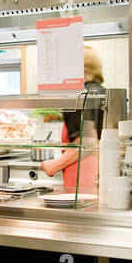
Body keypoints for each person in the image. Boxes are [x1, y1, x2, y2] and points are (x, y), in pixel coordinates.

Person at [41, 46, 105, 191]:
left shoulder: (79, 96)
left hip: (81, 174)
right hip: (102, 173)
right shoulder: (102, 93)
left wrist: (55, 165)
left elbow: (86, 141)